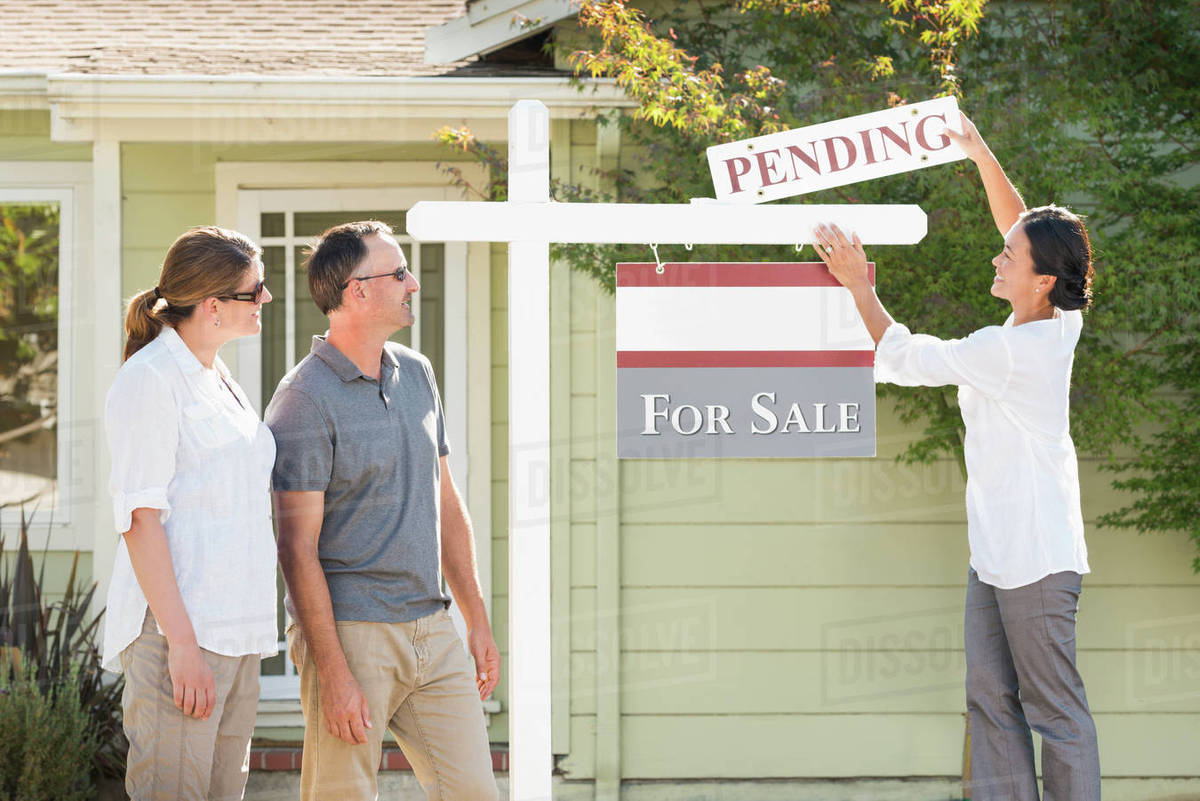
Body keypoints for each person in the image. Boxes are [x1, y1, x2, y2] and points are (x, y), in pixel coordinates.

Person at [813, 113, 1101, 801]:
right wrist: (978, 153)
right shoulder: (1055, 313)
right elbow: (1022, 226)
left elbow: (905, 358)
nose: (996, 258)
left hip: (1035, 558)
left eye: (1009, 258)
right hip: (994, 555)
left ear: (1039, 280)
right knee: (990, 704)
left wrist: (859, 284)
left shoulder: (1009, 352)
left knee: (1055, 716)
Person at [266, 220, 499, 801]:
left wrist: (476, 618)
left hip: (431, 626)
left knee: (474, 791)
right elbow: (296, 551)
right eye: (398, 273)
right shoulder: (303, 399)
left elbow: (443, 500)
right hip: (352, 633)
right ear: (356, 291)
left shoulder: (416, 372)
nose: (413, 283)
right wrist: (333, 671)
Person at [103, 226, 278, 801]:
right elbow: (139, 520)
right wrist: (181, 644)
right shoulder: (150, 380)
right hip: (180, 637)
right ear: (212, 306)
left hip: (234, 633)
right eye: (255, 290)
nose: (266, 299)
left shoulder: (218, 378)